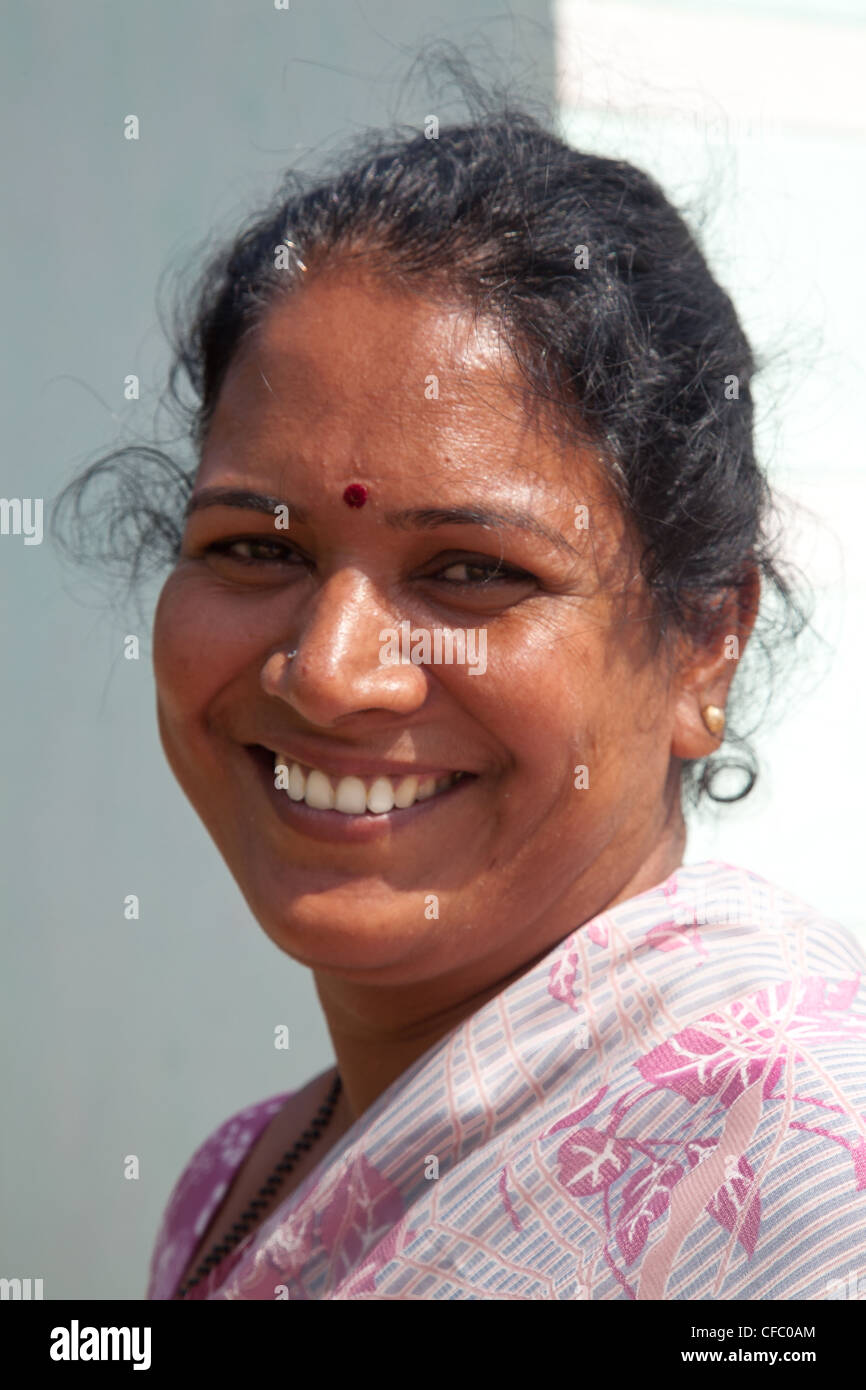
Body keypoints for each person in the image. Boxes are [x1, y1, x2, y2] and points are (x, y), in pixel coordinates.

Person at [56, 99, 866, 1301]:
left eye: (473, 571)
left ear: (702, 642)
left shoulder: (794, 1165)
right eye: (254, 549)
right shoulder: (237, 1181)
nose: (327, 669)